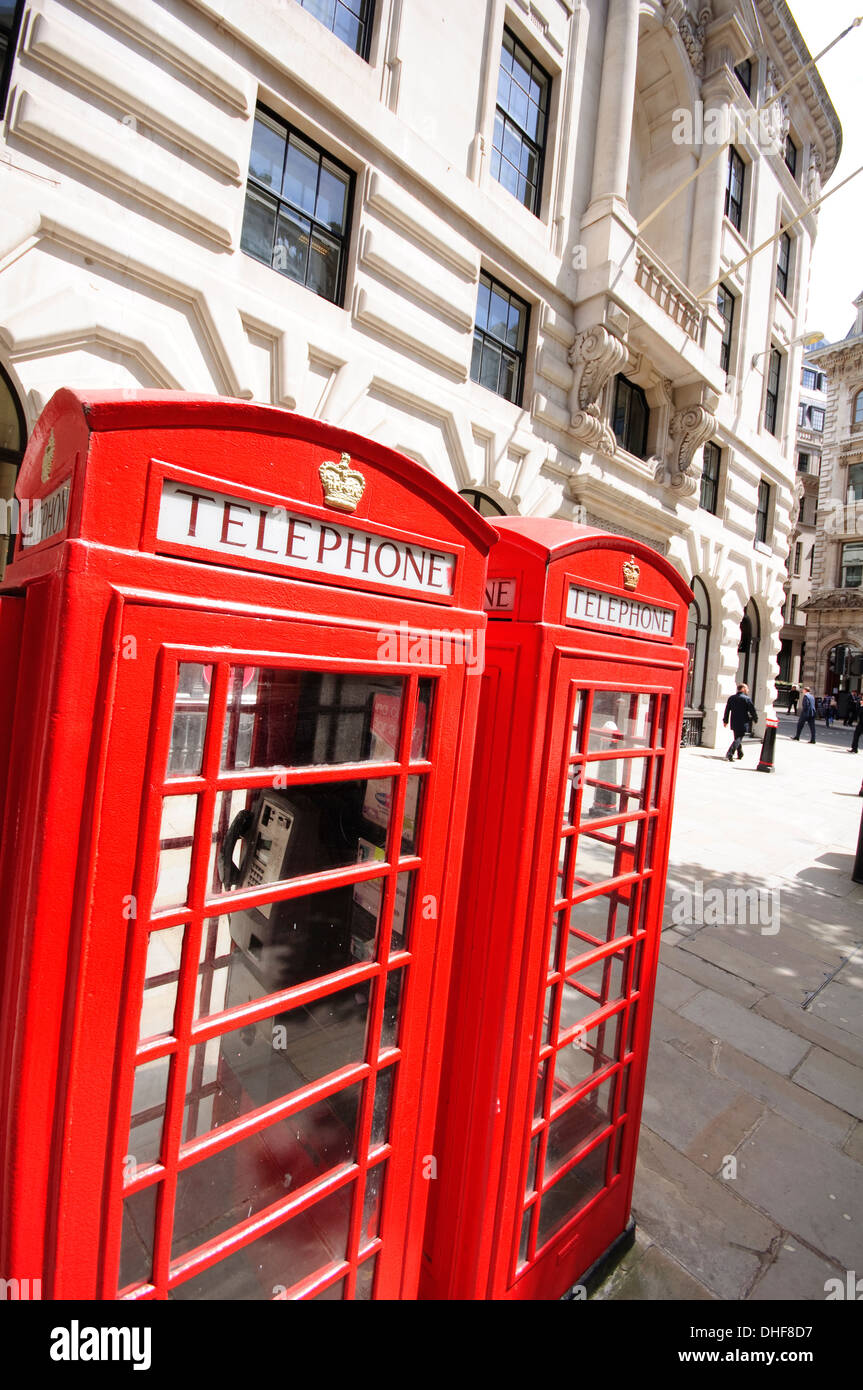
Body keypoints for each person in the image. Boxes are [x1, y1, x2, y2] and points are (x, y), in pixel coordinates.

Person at [723, 683, 757, 762]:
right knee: (739, 738)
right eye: (747, 688)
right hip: (743, 722)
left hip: (734, 721)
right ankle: (730, 753)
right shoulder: (747, 699)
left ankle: (740, 753)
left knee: (737, 737)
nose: (748, 690)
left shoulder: (731, 698)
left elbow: (727, 710)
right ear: (743, 689)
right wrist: (755, 718)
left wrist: (725, 720)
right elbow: (752, 710)